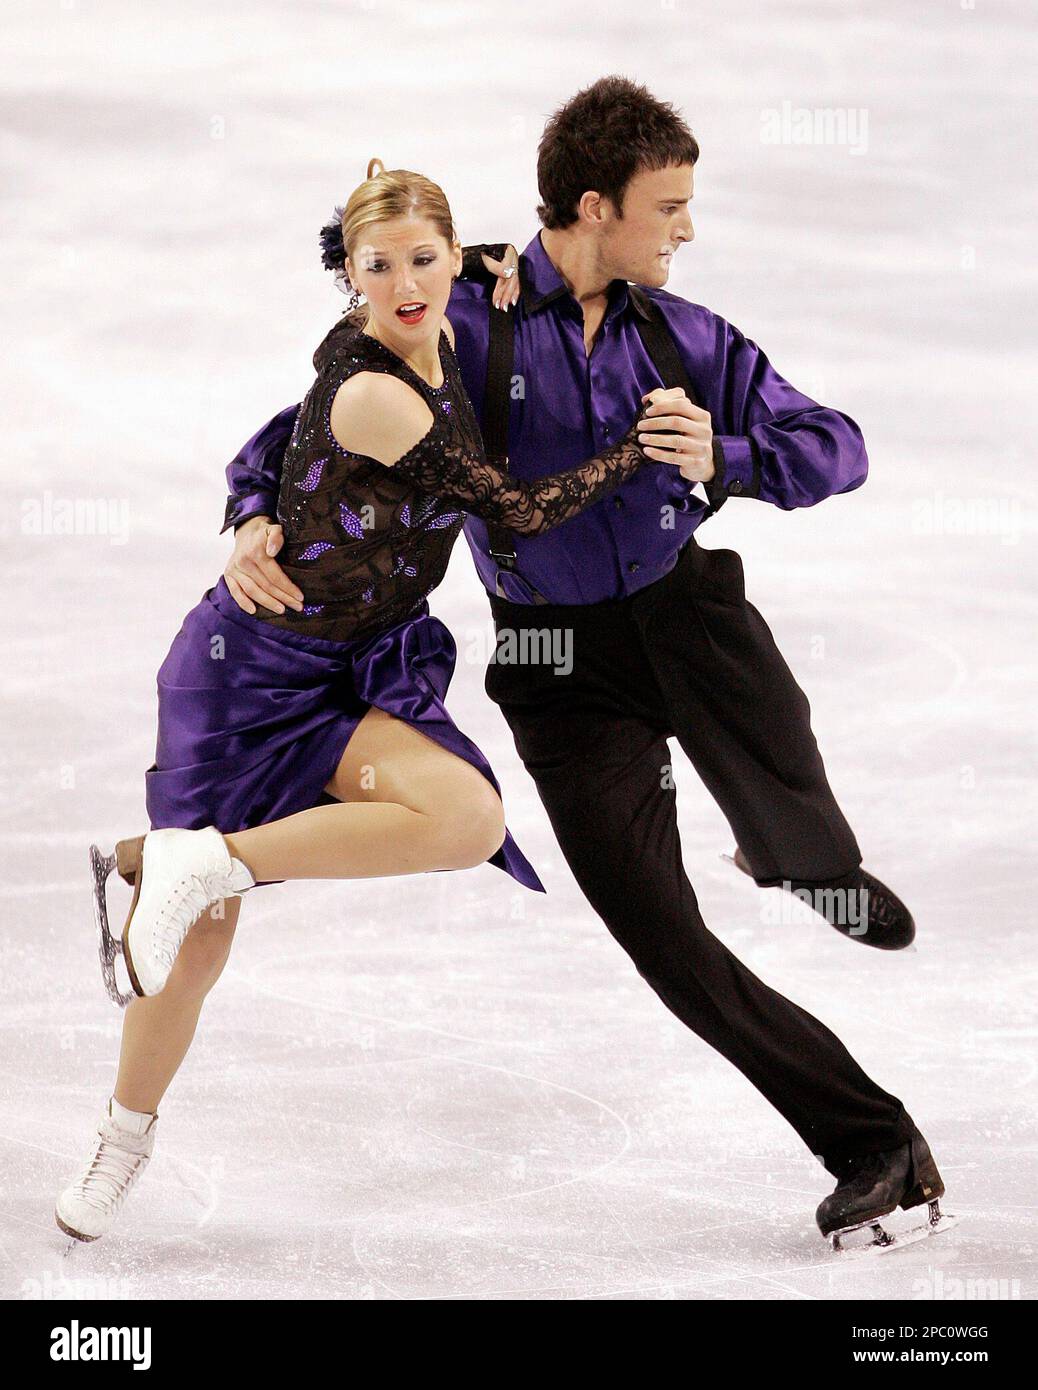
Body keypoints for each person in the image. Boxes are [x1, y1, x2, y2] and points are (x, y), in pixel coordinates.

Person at [222, 80, 951, 1251]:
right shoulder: (467, 315)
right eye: (670, 206)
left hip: (690, 619)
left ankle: (797, 858)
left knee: (795, 811)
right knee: (665, 941)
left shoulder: (686, 335)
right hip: (558, 664)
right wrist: (253, 510)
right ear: (597, 207)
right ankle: (876, 1143)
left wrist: (735, 450)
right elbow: (306, 422)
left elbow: (840, 445)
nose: (687, 228)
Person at [55, 157, 689, 1244]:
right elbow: (517, 512)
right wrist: (638, 447)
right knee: (196, 947)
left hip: (361, 667)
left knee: (464, 816)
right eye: (376, 265)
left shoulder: (460, 307)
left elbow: (267, 446)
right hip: (247, 675)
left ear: (458, 254)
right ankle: (121, 1139)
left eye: (425, 258)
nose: (404, 282)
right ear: (346, 274)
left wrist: (253, 504)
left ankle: (194, 855)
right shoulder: (372, 391)